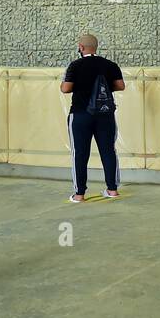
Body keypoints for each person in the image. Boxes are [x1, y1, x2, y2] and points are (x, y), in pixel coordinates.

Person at [61, 33, 124, 202]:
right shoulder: (110, 65)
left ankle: (79, 194)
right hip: (105, 115)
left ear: (81, 47)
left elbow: (65, 89)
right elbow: (120, 86)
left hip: (80, 114)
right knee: (108, 151)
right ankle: (112, 190)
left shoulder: (75, 65)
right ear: (96, 47)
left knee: (80, 153)